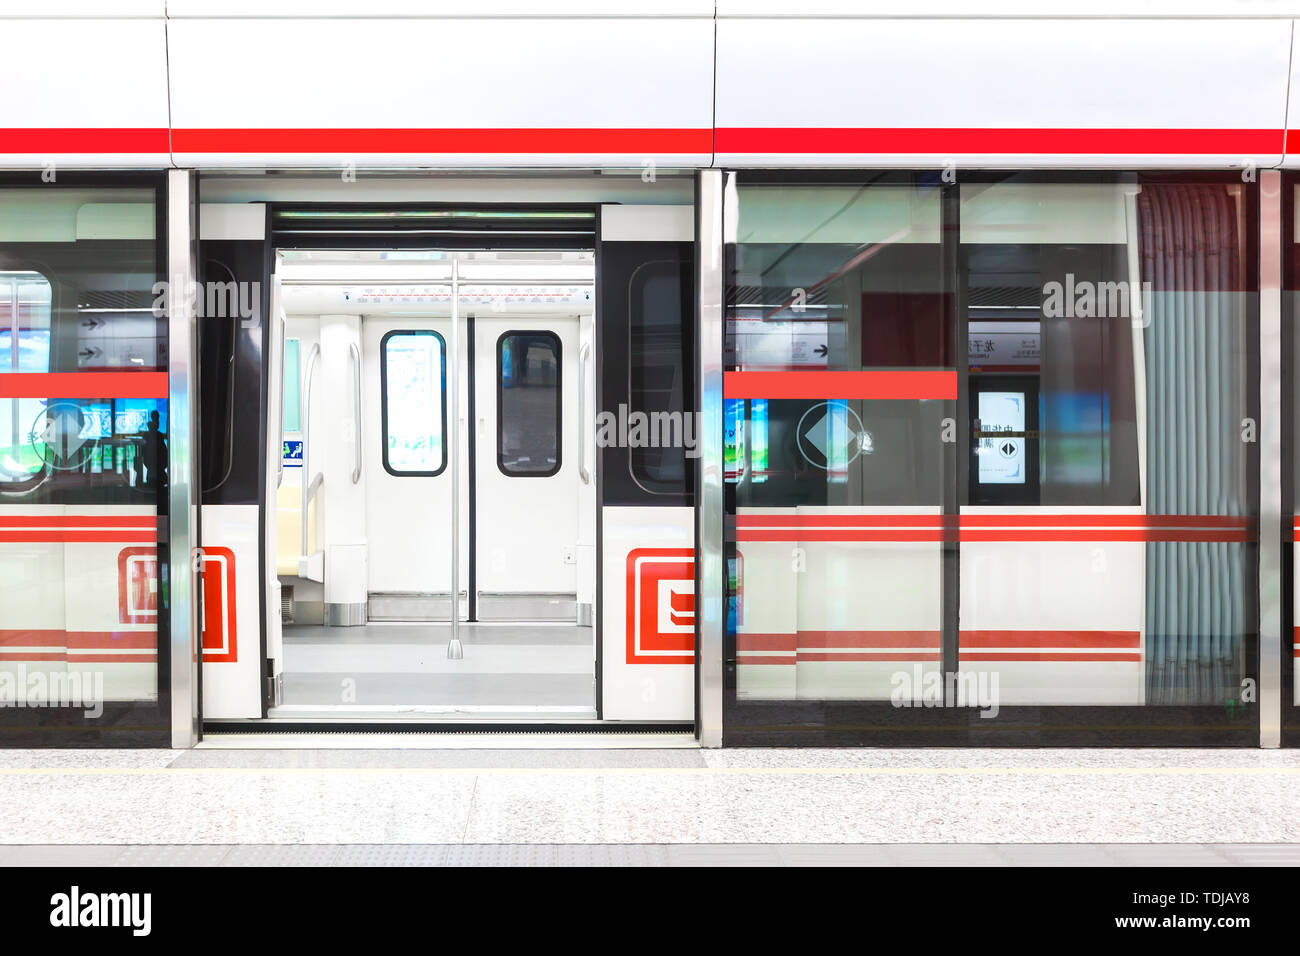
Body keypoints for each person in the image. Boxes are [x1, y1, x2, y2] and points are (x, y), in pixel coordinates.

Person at [134, 410, 167, 488]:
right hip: (155, 470)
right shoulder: (155, 436)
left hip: (155, 470)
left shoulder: (155, 436)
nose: (157, 423)